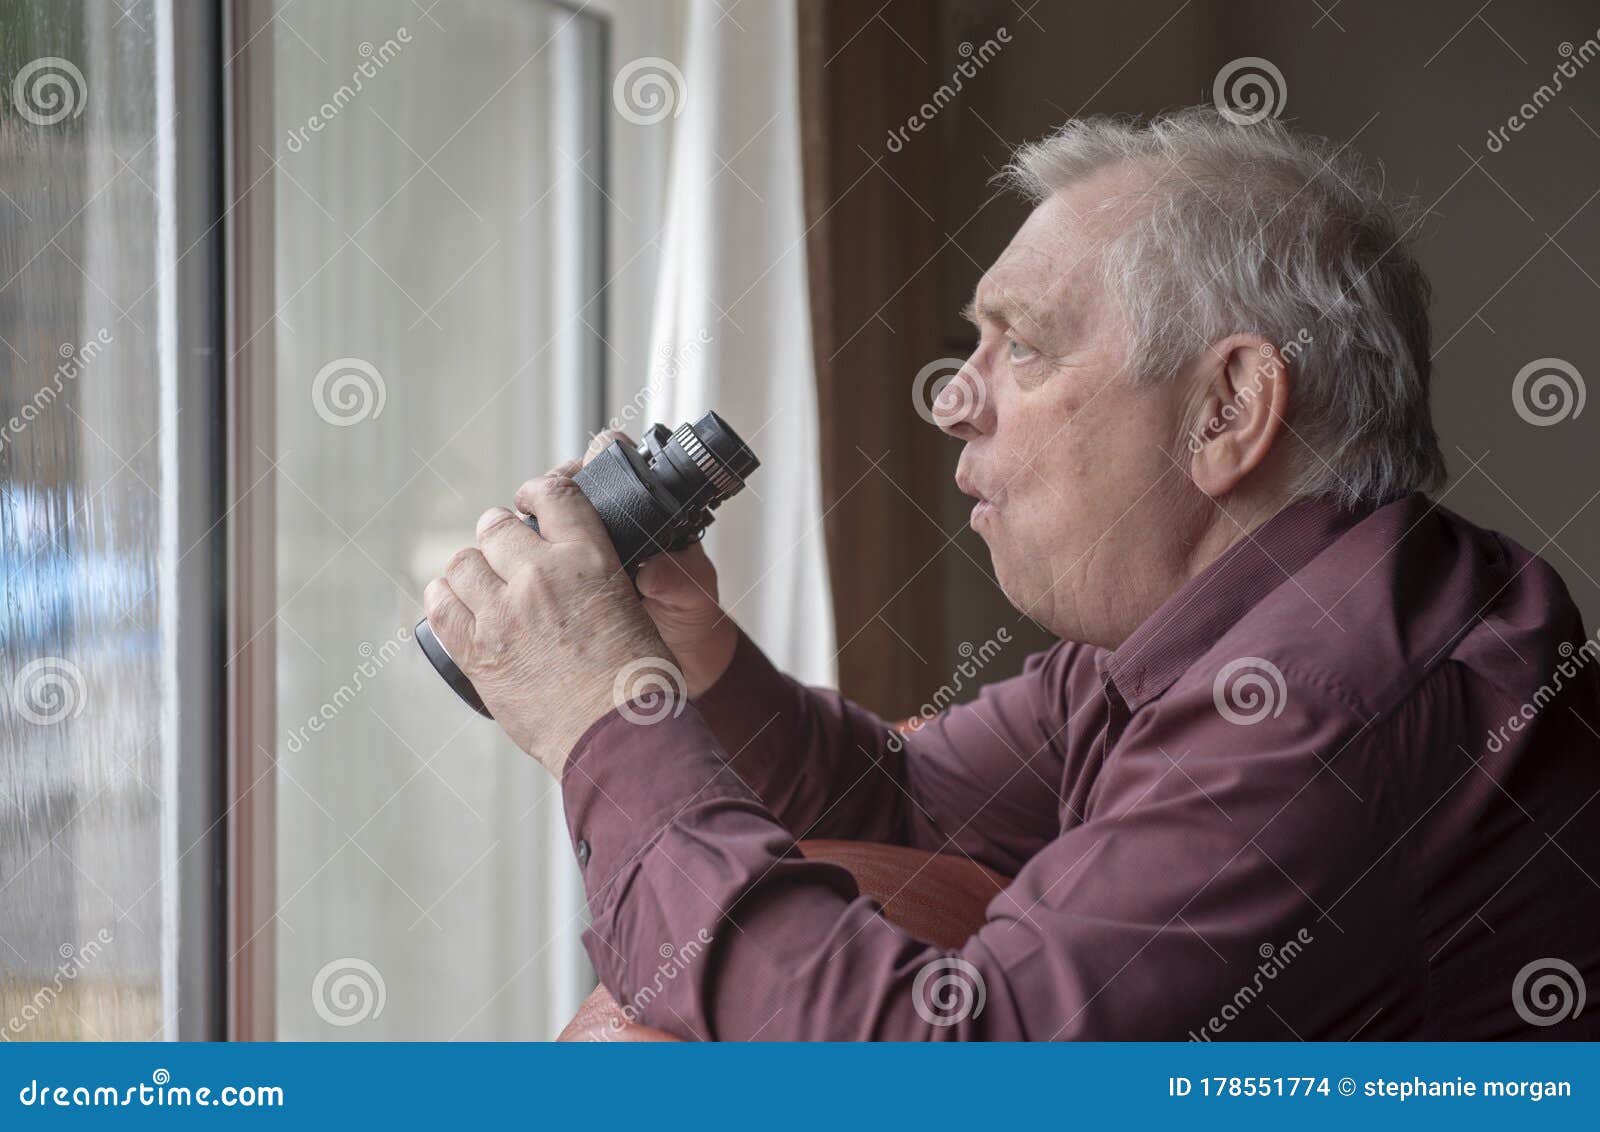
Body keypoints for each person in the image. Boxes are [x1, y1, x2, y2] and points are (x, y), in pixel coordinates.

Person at [423, 108, 1600, 1039]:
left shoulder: (1322, 695)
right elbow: (909, 800)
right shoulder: (1215, 627)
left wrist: (599, 724)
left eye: (1022, 343)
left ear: (1228, 408)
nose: (949, 398)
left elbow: (954, 1063)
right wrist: (690, 665)